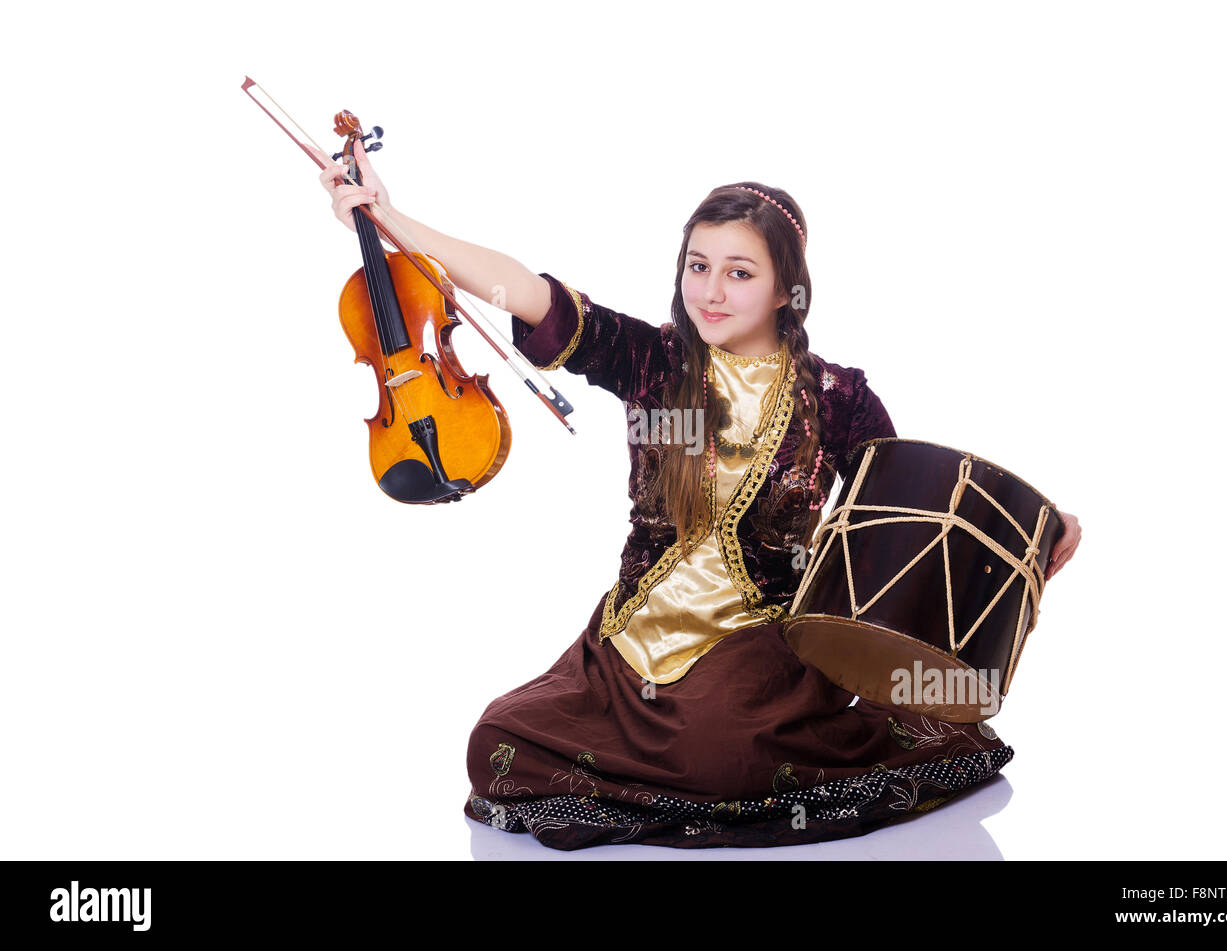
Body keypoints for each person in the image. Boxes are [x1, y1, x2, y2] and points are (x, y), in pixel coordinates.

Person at [319, 147, 1083, 850]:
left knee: (723, 748)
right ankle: (677, 776)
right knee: (493, 741)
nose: (710, 291)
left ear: (790, 288)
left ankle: (745, 760)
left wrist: (1019, 550)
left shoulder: (838, 397)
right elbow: (525, 290)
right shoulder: (654, 362)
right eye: (698, 265)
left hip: (758, 645)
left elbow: (899, 528)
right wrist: (392, 220)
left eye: (739, 272)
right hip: (628, 642)